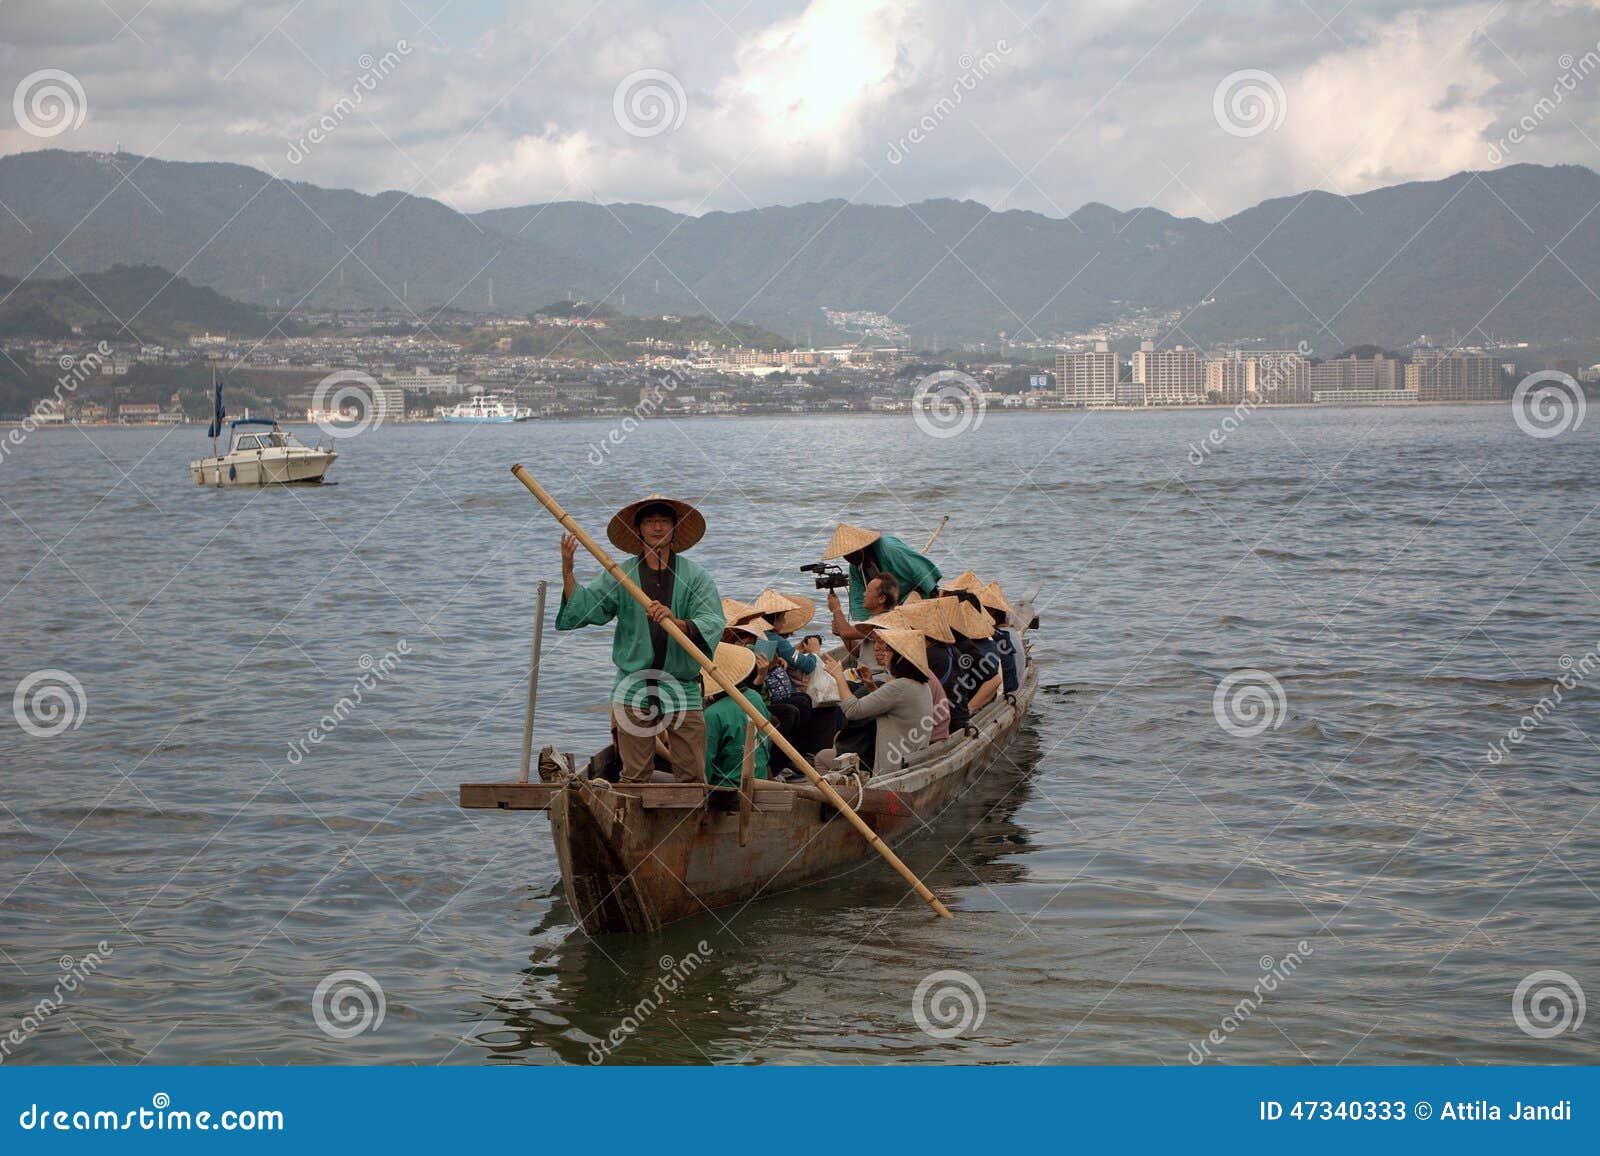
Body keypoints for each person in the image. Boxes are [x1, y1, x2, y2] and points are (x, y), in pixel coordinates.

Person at [556, 493, 725, 783]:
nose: (657, 528)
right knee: (634, 778)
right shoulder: (621, 574)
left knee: (693, 777)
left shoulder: (695, 576)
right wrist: (568, 571)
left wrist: (678, 622)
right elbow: (587, 608)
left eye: (663, 522)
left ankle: (688, 821)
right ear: (639, 530)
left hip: (681, 683)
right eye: (650, 522)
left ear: (674, 529)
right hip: (633, 683)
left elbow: (713, 621)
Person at [816, 627, 936, 776]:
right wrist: (872, 686)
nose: (884, 654)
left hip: (889, 767)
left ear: (899, 658)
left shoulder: (899, 686)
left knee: (822, 757)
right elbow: (890, 708)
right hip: (907, 760)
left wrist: (838, 675)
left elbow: (853, 711)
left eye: (888, 651)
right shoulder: (921, 685)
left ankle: (833, 798)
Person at [821, 523, 941, 620]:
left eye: (850, 552)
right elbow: (858, 598)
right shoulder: (855, 567)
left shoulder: (890, 549)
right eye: (844, 555)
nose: (848, 557)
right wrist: (866, 625)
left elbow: (922, 572)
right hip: (892, 605)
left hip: (917, 595)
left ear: (862, 547)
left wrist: (933, 598)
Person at [701, 643, 771, 787]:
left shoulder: (713, 714)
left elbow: (705, 763)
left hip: (727, 787)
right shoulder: (754, 697)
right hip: (759, 779)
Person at [826, 572, 898, 677]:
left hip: (877, 678)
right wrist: (841, 634)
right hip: (864, 675)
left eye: (868, 591)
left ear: (881, 598)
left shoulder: (885, 621)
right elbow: (858, 653)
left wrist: (836, 609)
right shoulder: (873, 619)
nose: (864, 594)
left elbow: (847, 632)